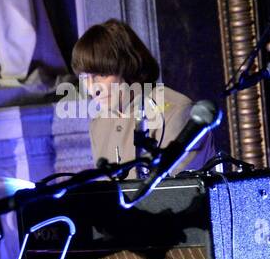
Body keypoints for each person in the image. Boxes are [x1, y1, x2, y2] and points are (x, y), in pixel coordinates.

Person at [72, 19, 213, 173]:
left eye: (102, 74)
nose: (93, 89)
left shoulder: (177, 112)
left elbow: (177, 193)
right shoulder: (98, 125)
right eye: (85, 77)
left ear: (127, 67)